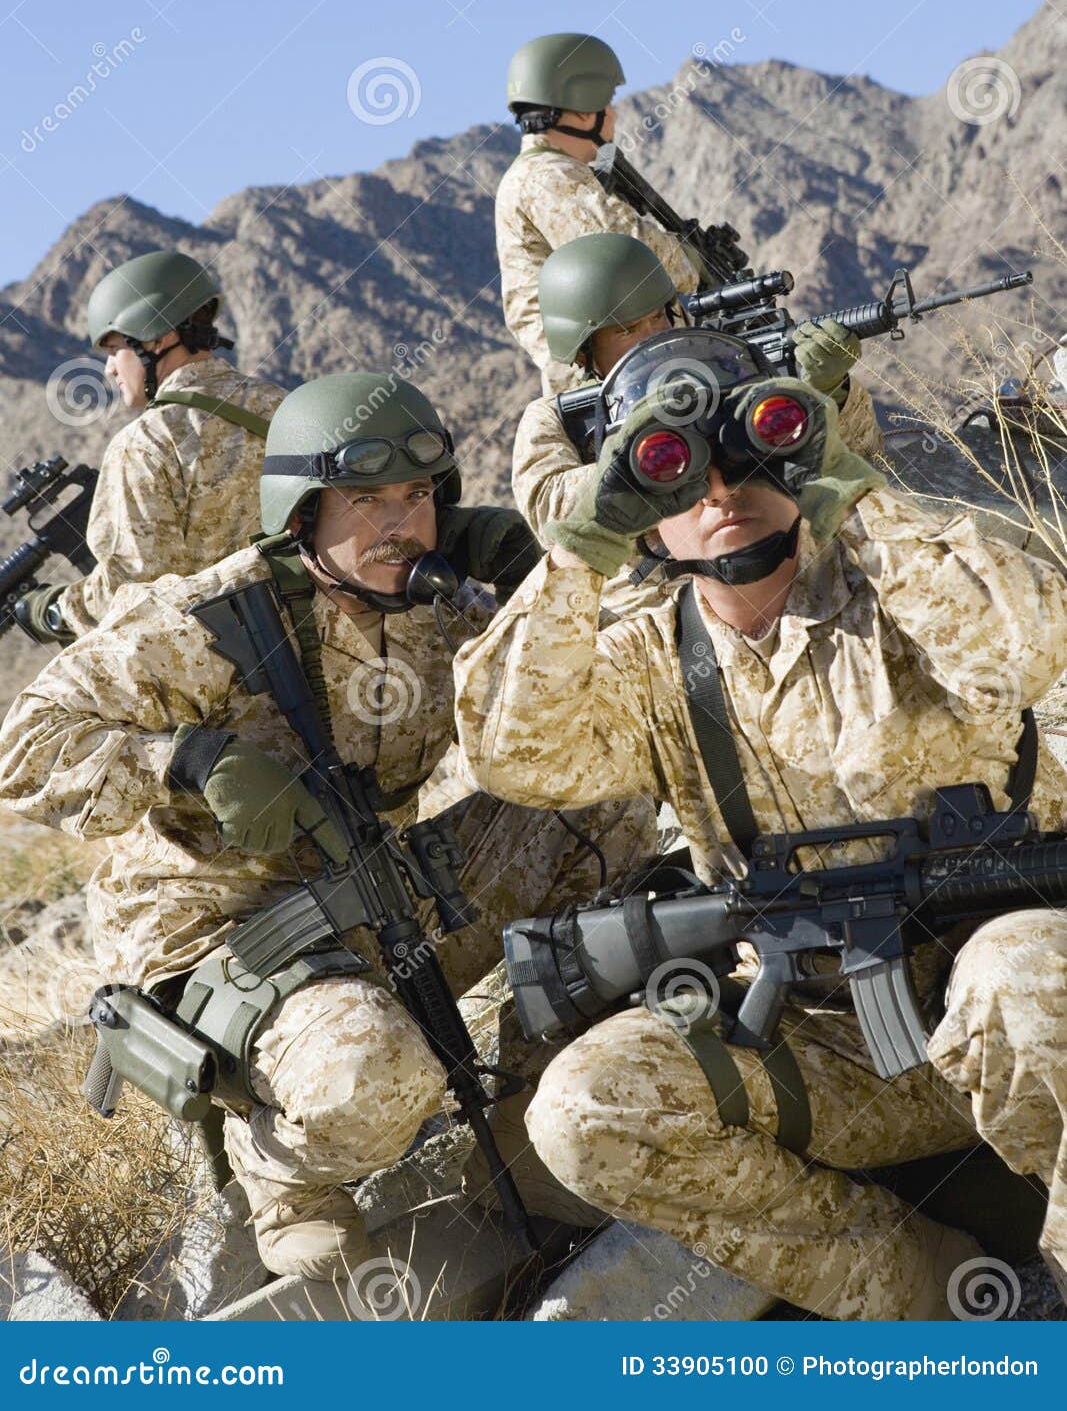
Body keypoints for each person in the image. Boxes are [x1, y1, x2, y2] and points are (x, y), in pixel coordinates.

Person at [453, 327, 1067, 1320]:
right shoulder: (654, 659)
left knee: (1024, 976)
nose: (715, 491)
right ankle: (952, 1305)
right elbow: (509, 746)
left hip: (1008, 1006)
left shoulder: (900, 587)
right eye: (673, 473)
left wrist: (847, 484)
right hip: (830, 1042)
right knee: (584, 1107)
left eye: (747, 455)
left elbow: (1023, 644)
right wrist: (585, 542)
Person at [0, 373, 655, 1279]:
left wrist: (541, 572)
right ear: (302, 513)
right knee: (376, 1084)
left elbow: (623, 653)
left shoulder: (437, 599)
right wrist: (187, 762)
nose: (400, 523)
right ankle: (281, 1173)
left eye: (418, 496)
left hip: (374, 889)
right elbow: (25, 747)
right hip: (227, 933)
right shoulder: (210, 619)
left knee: (603, 808)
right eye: (366, 500)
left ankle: (523, 1125)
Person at [513, 232, 882, 620]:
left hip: (787, 578)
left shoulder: (728, 366)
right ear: (584, 348)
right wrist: (658, 454)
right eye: (627, 329)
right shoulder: (554, 418)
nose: (653, 335)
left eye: (658, 316)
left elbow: (866, 455)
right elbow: (548, 511)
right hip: (647, 613)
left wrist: (828, 393)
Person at [12, 250, 284, 643]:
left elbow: (135, 595)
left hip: (224, 678)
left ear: (155, 337)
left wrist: (51, 611)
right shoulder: (283, 405)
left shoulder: (147, 443)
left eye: (113, 350)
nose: (108, 369)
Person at [497, 32, 747, 393]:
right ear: (584, 110)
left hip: (619, 373)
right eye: (607, 102)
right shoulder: (548, 177)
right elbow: (629, 255)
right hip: (608, 381)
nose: (614, 113)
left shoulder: (547, 174)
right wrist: (694, 262)